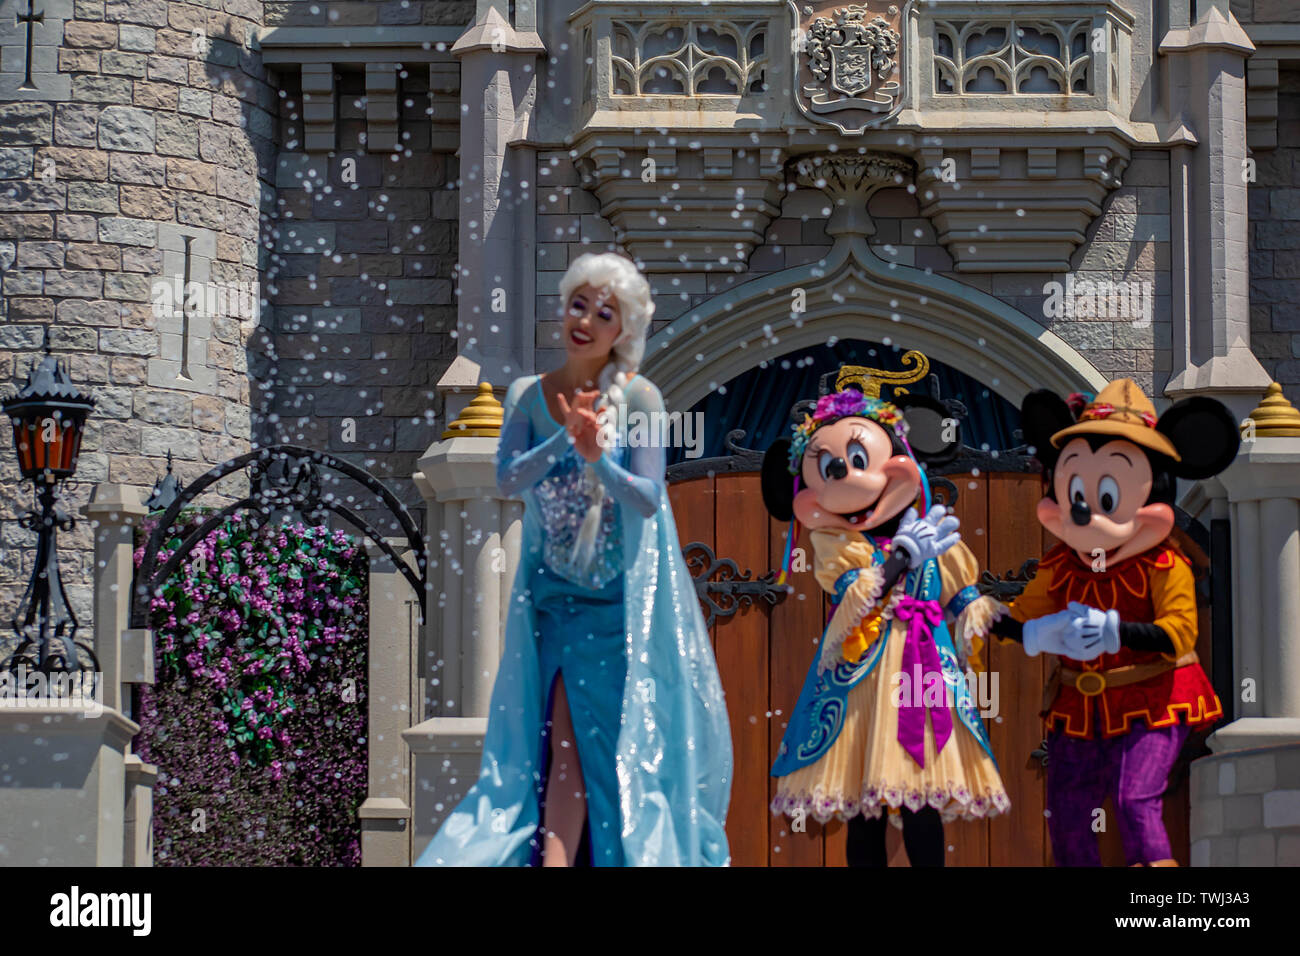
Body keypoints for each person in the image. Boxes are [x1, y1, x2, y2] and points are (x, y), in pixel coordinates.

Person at [415, 252, 732, 866]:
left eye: (604, 312)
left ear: (625, 328)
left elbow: (645, 497)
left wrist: (596, 457)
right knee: (556, 743)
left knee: (608, 747)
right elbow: (507, 479)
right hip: (552, 601)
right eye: (579, 304)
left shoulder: (641, 400)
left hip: (615, 609)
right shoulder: (530, 396)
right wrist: (565, 437)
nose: (586, 320)